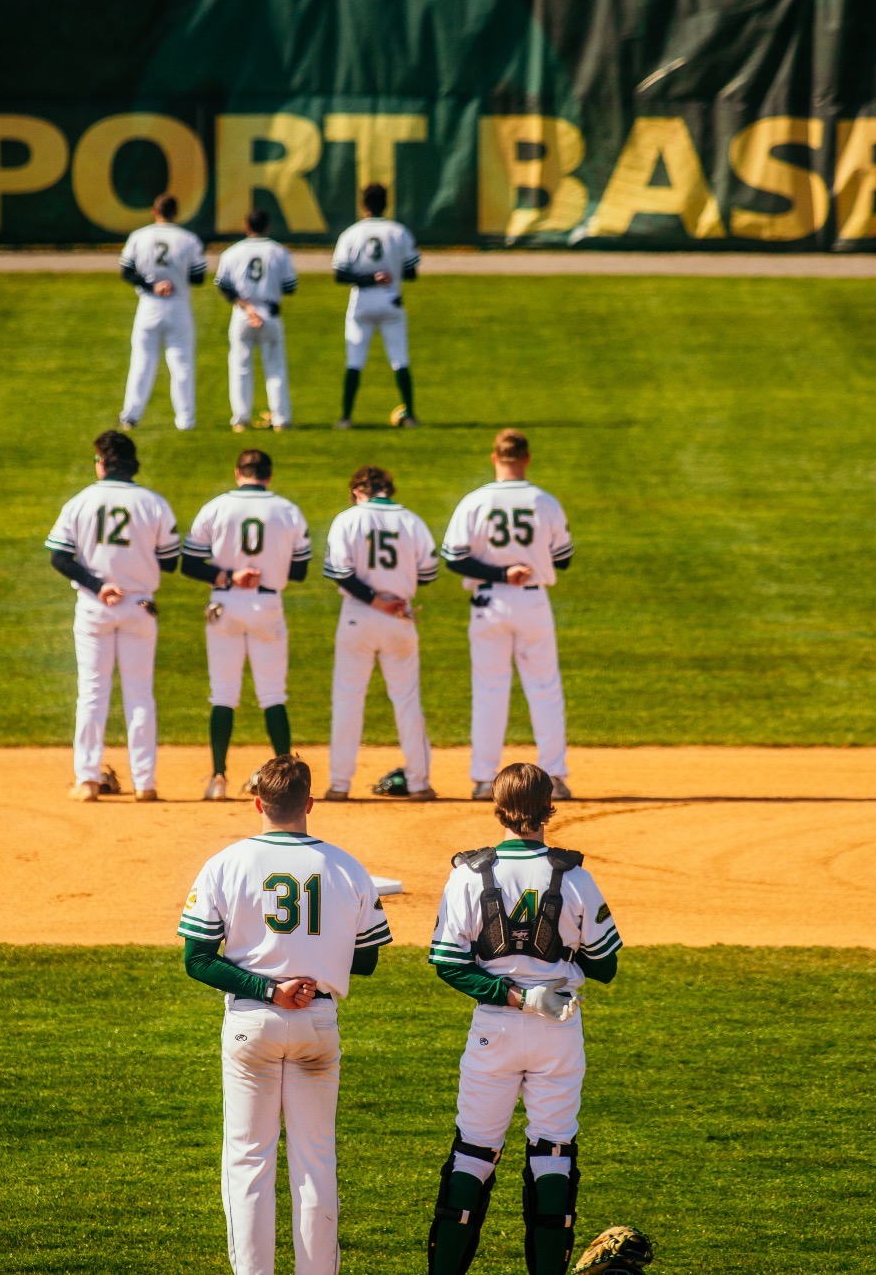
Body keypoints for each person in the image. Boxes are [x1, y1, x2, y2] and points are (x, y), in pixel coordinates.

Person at [179, 754, 394, 1275]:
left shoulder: (226, 863)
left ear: (259, 804)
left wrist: (268, 988)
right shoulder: (347, 866)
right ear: (309, 804)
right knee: (315, 1162)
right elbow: (367, 960)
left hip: (251, 1026)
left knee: (249, 1162)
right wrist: (315, 963)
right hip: (317, 1025)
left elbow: (197, 959)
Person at [425, 762, 623, 1275]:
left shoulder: (468, 874)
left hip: (494, 1029)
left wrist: (514, 993)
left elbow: (448, 963)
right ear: (549, 807)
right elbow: (606, 965)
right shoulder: (574, 876)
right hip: (559, 1028)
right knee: (553, 1151)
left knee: (474, 1152)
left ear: (498, 808)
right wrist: (555, 969)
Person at [43, 429, 179, 801]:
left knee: (91, 693)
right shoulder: (153, 503)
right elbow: (170, 561)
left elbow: (59, 556)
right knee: (140, 695)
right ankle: (145, 783)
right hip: (139, 607)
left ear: (102, 463)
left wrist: (98, 583)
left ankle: (87, 780)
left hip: (94, 606)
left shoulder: (81, 501)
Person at [440, 430, 576, 801]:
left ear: (494, 457)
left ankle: (485, 780)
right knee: (544, 689)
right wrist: (526, 561)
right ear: (527, 458)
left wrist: (500, 572)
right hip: (533, 603)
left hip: (489, 605)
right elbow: (563, 558)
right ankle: (555, 777)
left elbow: (453, 558)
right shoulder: (544, 501)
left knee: (489, 690)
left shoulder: (475, 501)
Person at [181, 450, 313, 800]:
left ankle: (217, 778)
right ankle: (286, 781)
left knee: (223, 694)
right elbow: (300, 570)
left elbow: (189, 563)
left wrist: (229, 576)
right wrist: (269, 567)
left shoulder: (216, 507)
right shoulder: (287, 510)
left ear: (237, 473)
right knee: (273, 695)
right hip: (267, 605)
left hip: (225, 603)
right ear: (269, 475)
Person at [320, 464, 439, 801]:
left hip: (357, 616)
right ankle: (419, 783)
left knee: (348, 699)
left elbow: (340, 573)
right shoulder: (412, 521)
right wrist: (393, 594)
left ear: (358, 491)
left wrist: (374, 599)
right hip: (399, 615)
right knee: (407, 701)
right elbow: (428, 573)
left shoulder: (347, 519)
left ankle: (339, 785)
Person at [331, 182, 422, 429]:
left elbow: (340, 275)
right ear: (386, 203)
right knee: (400, 359)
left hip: (361, 301)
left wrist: (368, 278)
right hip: (391, 300)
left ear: (363, 205)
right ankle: (410, 416)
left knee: (354, 360)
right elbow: (411, 272)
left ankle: (346, 417)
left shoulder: (351, 234)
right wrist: (389, 272)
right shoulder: (399, 232)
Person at [118, 193, 207, 431]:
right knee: (181, 365)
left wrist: (152, 285)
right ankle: (185, 421)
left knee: (141, 362)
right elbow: (198, 277)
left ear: (154, 211)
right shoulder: (189, 240)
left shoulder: (139, 236)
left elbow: (126, 272)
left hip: (149, 305)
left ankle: (130, 416)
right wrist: (175, 279)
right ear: (176, 213)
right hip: (178, 306)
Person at [214, 210, 300, 432]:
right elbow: (290, 286)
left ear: (246, 226)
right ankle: (281, 419)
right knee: (275, 367)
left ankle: (241, 420)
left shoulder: (232, 252)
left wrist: (246, 306)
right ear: (267, 226)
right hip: (269, 313)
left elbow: (223, 285)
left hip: (242, 313)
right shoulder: (279, 252)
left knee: (240, 368)